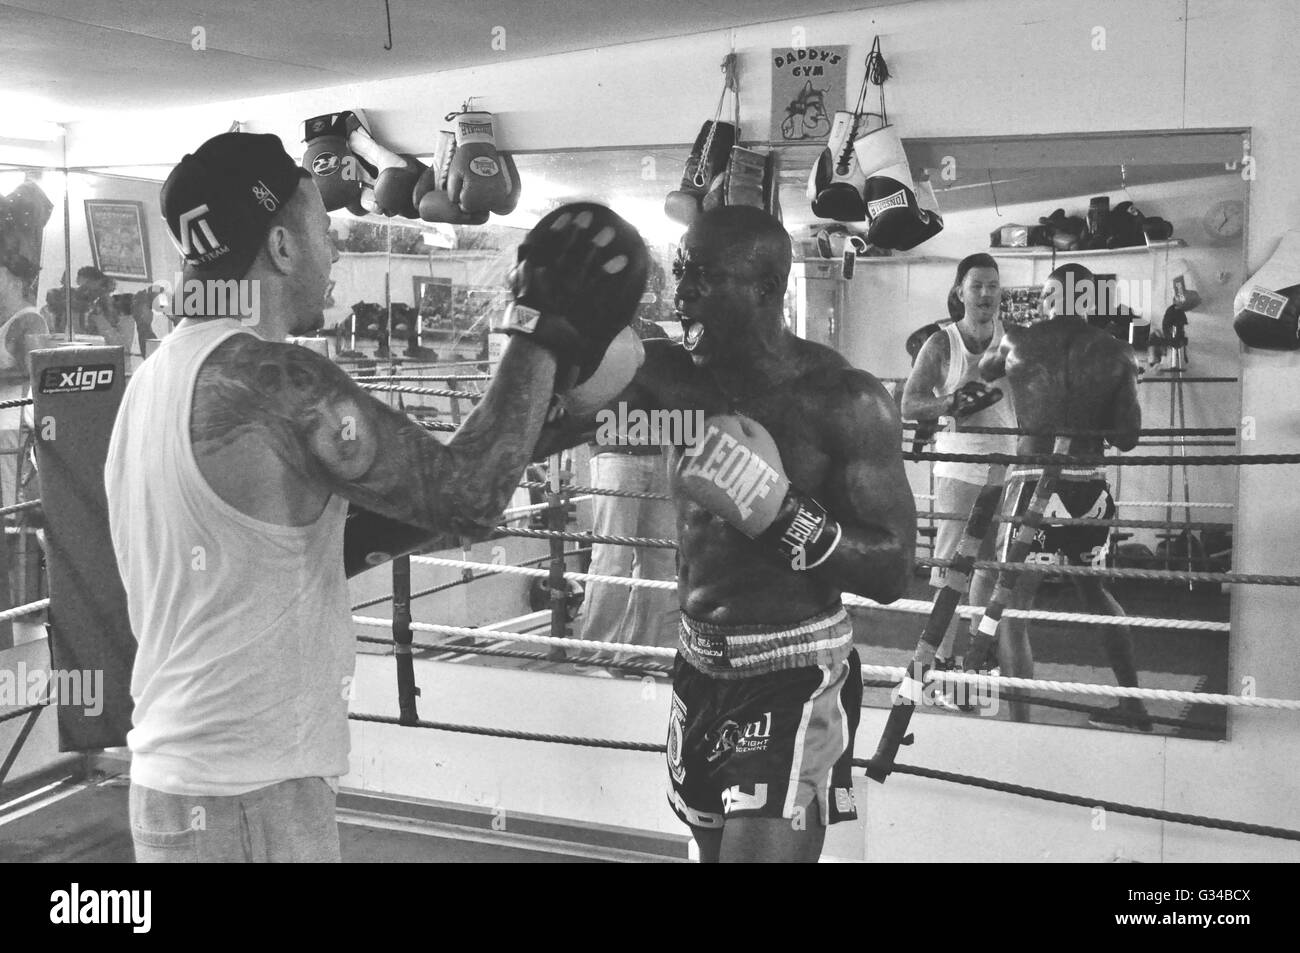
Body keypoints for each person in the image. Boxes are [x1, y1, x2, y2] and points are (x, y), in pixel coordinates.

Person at [103, 132, 646, 862]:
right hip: (247, 797)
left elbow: (372, 525)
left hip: (188, 788)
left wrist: (534, 430)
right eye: (324, 234)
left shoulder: (153, 383)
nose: (335, 257)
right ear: (283, 249)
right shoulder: (277, 382)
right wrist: (538, 326)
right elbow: (466, 500)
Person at [538, 205, 915, 862]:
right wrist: (558, 339)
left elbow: (891, 568)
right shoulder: (665, 374)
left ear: (767, 289)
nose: (682, 294)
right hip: (699, 666)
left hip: (792, 669)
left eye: (703, 278)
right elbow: (538, 434)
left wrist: (783, 515)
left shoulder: (844, 400)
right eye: (680, 273)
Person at [978, 262, 1149, 729]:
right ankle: (1134, 703)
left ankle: (1022, 725)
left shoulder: (1017, 339)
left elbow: (986, 367)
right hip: (1088, 486)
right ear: (1092, 301)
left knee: (1014, 608)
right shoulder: (1117, 352)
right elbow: (1128, 436)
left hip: (1034, 484)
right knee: (1094, 592)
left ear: (1048, 297)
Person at [901, 253, 1014, 689]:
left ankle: (979, 658)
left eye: (992, 285)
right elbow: (909, 404)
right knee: (951, 569)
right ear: (959, 292)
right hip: (959, 465)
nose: (986, 294)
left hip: (1008, 464)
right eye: (977, 286)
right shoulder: (941, 344)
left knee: (991, 570)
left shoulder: (1014, 342)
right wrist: (952, 403)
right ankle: (939, 661)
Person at [580, 284, 679, 664]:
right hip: (615, 450)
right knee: (613, 558)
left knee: (656, 561)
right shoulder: (593, 334)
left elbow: (670, 387)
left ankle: (641, 653)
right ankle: (596, 657)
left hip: (657, 449)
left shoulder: (653, 332)